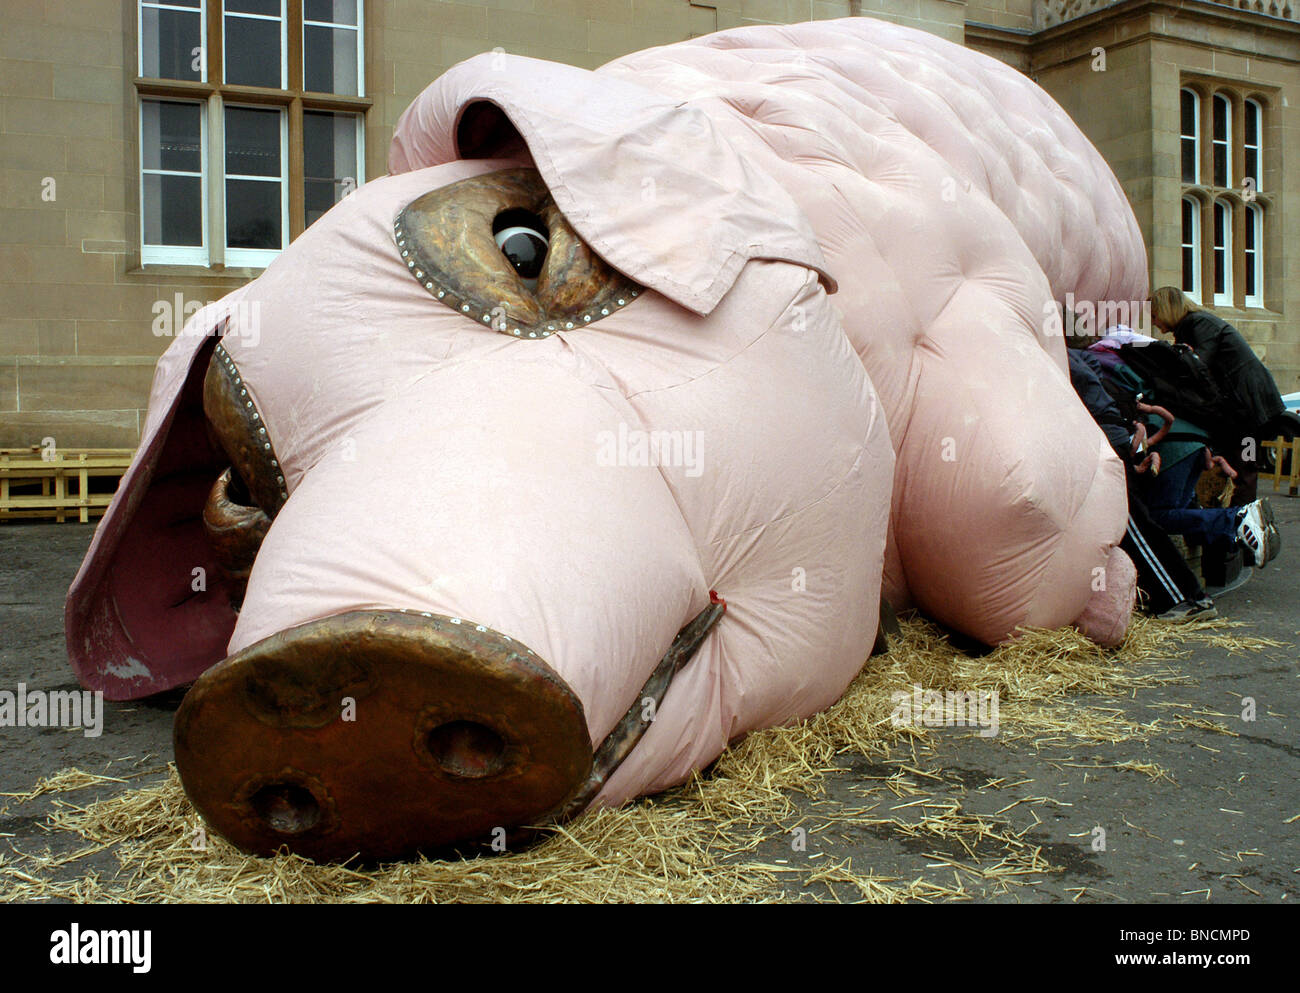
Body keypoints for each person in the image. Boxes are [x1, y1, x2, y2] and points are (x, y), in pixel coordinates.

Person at [1065, 345, 1216, 620]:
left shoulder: (1055, 357)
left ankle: (1180, 599)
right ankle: (1188, 595)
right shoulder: (1078, 355)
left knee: (1133, 525)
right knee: (1138, 522)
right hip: (1115, 434)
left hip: (1103, 440)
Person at [1149, 286, 1286, 506]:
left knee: (1245, 463)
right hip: (1249, 405)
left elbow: (1198, 365)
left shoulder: (1198, 324)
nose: (1154, 322)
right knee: (1245, 461)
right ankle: (1240, 515)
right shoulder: (1197, 324)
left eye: (1154, 315)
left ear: (1167, 310)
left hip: (1247, 407)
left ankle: (1240, 520)